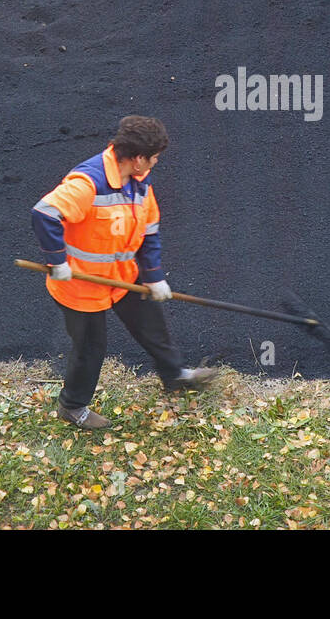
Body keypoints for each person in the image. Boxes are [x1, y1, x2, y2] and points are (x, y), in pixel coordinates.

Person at [31, 115, 216, 429]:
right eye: (155, 157)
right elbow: (44, 212)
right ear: (139, 158)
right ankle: (72, 406)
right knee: (91, 347)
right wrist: (57, 260)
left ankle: (174, 375)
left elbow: (151, 230)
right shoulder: (88, 183)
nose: (157, 162)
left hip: (122, 276)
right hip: (82, 285)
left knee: (151, 322)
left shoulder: (140, 183)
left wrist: (154, 275)